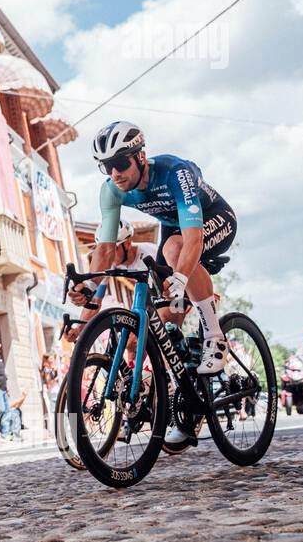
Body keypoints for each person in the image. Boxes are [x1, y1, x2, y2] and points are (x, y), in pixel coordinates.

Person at [83, 122, 237, 447]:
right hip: (173, 229)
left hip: (213, 219)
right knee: (169, 314)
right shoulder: (112, 190)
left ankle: (215, 335)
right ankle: (189, 402)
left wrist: (180, 278)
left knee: (174, 250)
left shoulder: (173, 171)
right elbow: (105, 250)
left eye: (121, 162)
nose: (115, 173)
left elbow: (193, 238)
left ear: (140, 156)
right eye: (106, 166)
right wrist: (87, 291)